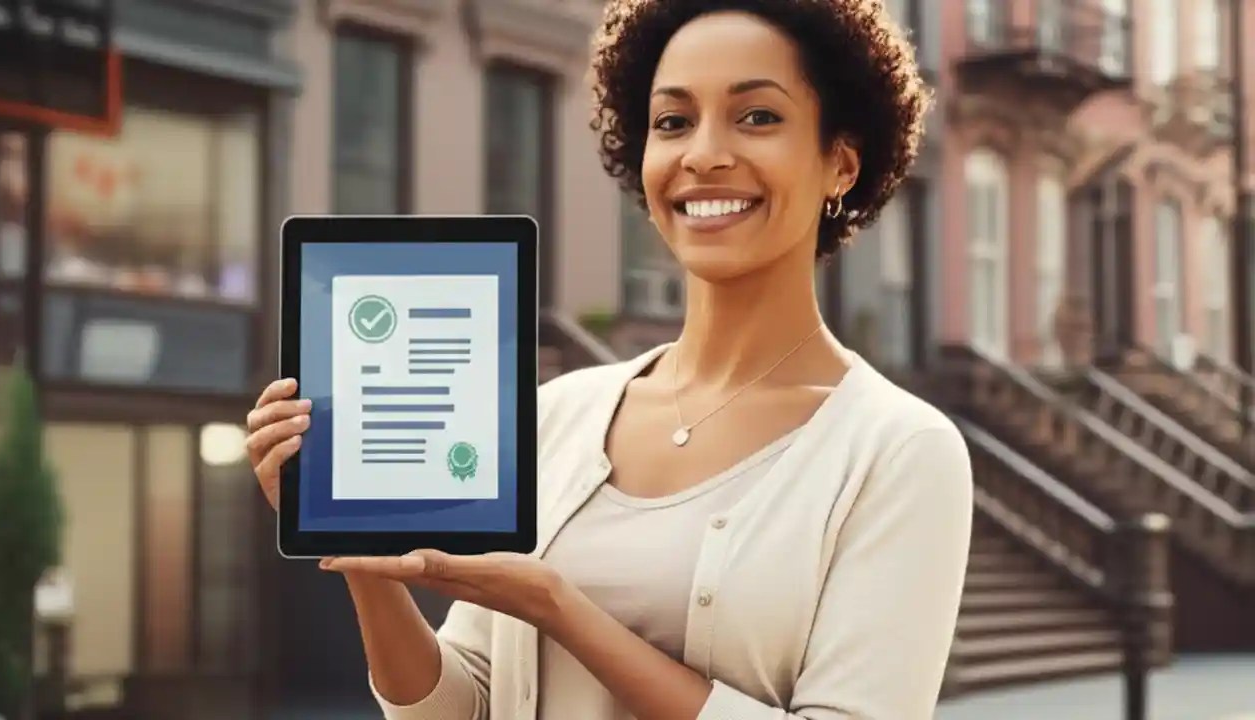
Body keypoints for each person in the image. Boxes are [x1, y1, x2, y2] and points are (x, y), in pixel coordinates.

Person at [245, 0, 973, 717]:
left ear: (840, 164)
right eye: (672, 122)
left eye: (757, 116)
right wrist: (358, 555)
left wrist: (559, 607)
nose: (703, 153)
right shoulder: (557, 413)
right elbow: (455, 708)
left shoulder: (897, 451)